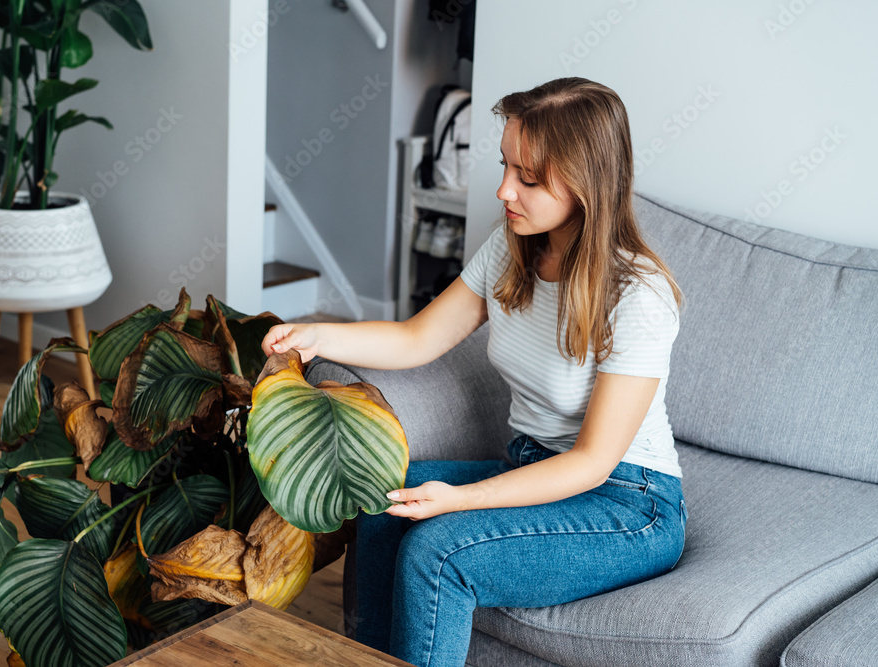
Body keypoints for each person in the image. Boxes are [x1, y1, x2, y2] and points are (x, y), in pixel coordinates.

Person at [261, 77, 687, 667]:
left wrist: (462, 498)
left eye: (528, 178)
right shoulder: (512, 247)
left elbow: (592, 463)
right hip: (533, 465)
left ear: (586, 182)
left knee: (439, 551)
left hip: (628, 505)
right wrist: (314, 334)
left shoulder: (638, 295)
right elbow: (418, 338)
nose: (504, 189)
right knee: (385, 497)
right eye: (507, 165)